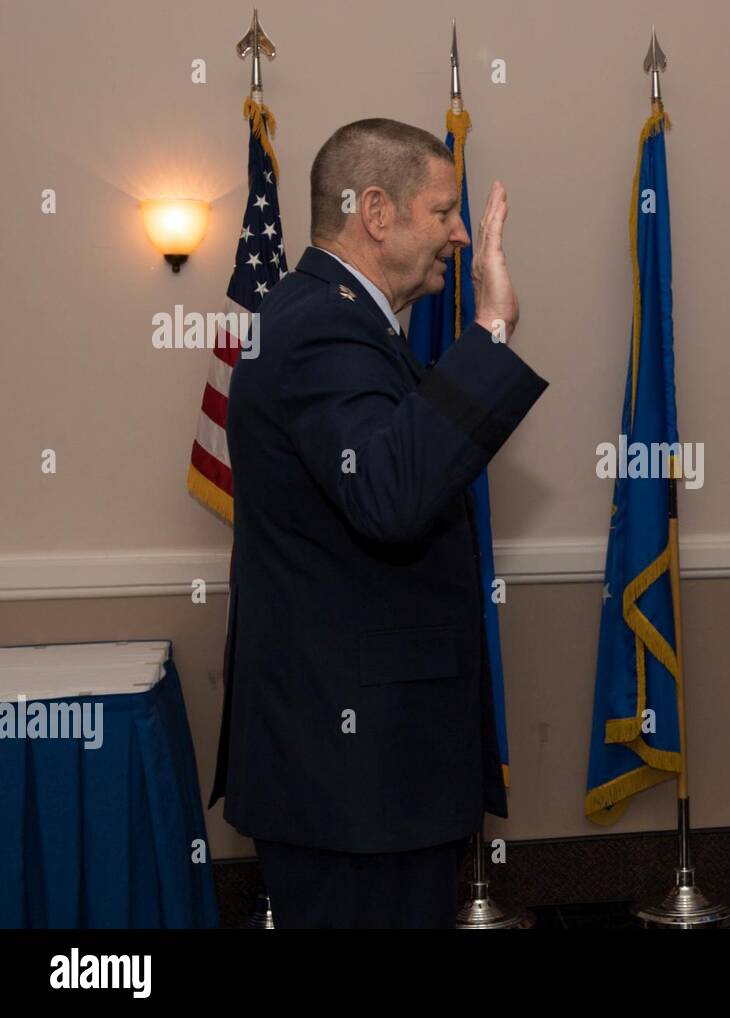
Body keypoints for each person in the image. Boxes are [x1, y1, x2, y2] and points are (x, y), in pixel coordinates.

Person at [208, 118, 547, 928]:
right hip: (352, 776)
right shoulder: (324, 327)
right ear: (376, 212)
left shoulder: (339, 321)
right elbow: (392, 496)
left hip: (359, 770)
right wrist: (492, 330)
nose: (460, 236)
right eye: (443, 212)